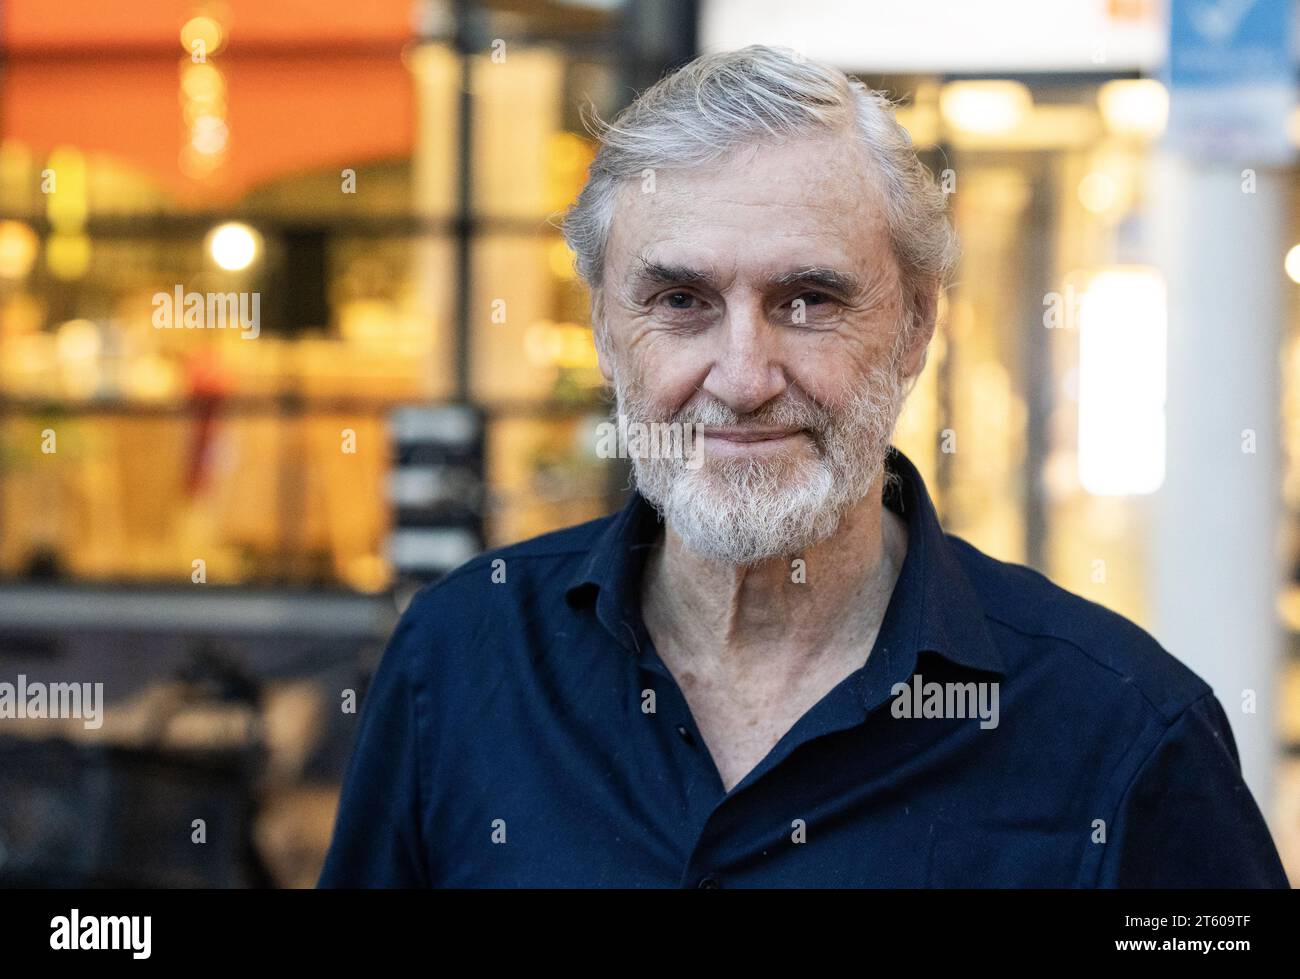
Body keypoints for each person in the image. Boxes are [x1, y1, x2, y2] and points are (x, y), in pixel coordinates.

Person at [318, 45, 1289, 887]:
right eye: (680, 300)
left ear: (915, 327)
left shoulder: (1122, 732)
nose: (742, 380)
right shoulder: (458, 660)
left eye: (809, 300)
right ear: (606, 330)